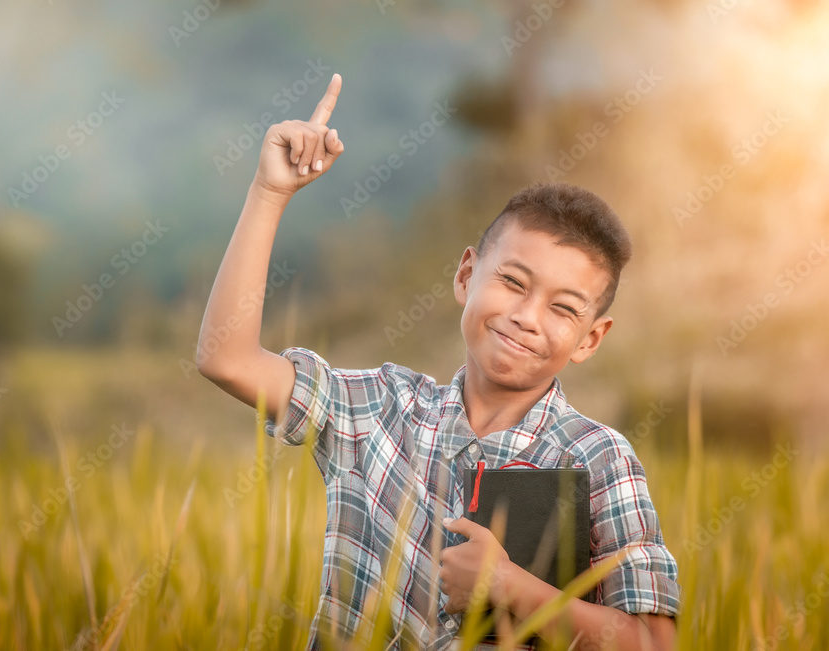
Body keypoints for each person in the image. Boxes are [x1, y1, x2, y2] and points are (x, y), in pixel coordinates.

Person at [197, 73, 680, 650]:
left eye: (563, 308)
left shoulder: (598, 458)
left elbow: (655, 644)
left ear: (589, 339)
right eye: (512, 281)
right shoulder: (376, 412)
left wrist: (510, 586)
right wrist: (270, 193)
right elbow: (226, 358)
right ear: (466, 274)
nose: (527, 316)